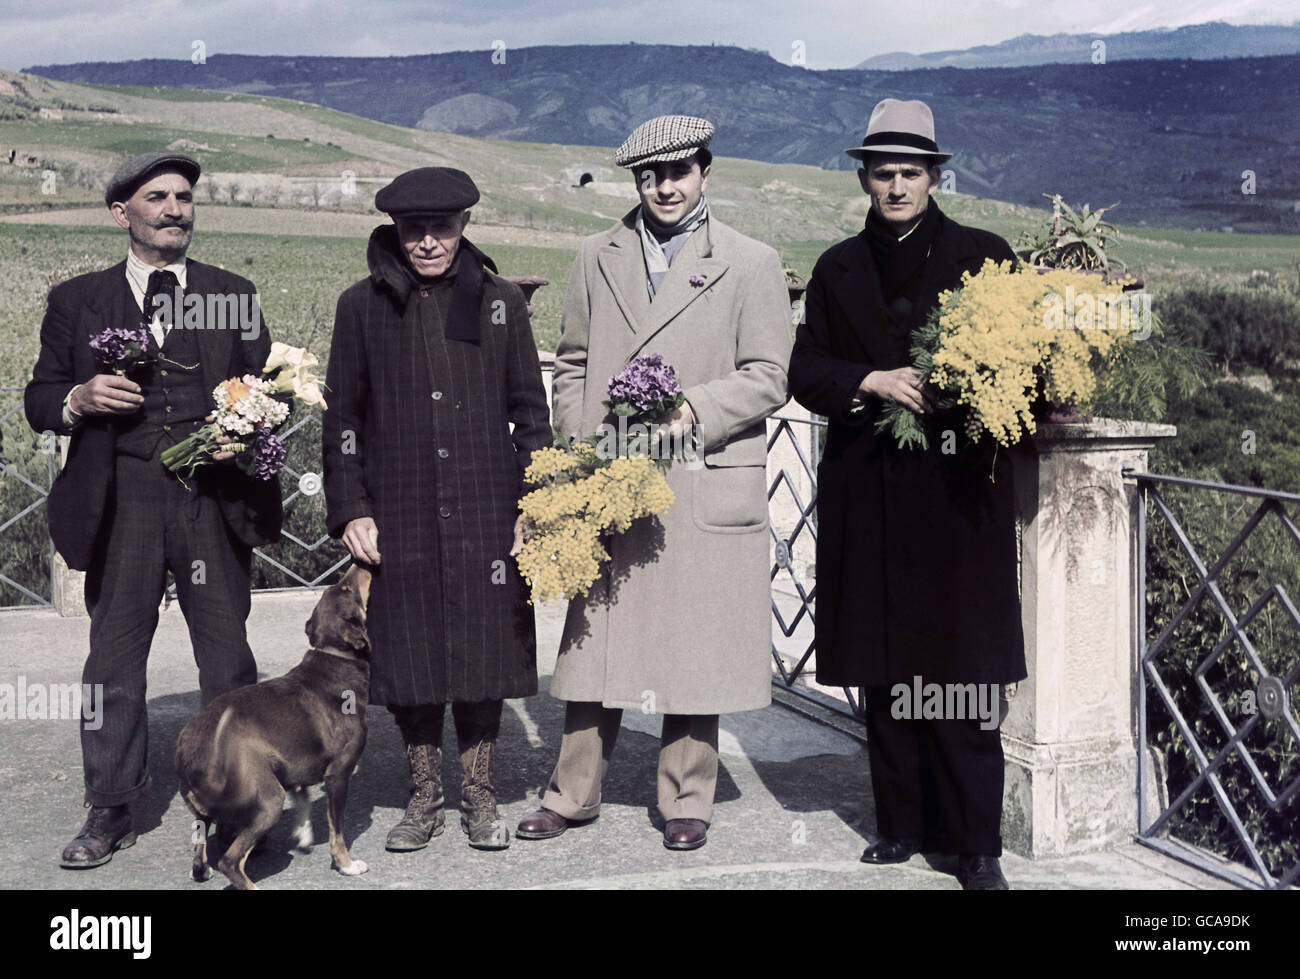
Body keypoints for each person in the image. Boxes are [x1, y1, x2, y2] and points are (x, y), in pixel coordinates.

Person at [515, 115, 791, 851]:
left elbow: (769, 376)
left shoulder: (750, 261)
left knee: (694, 646)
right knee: (593, 641)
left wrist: (692, 411)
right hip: (607, 481)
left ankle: (686, 798)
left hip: (700, 483)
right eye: (649, 176)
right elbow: (572, 362)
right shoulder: (593, 255)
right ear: (635, 181)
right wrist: (581, 448)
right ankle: (571, 792)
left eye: (678, 173)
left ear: (705, 172)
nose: (664, 188)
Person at [788, 99, 1027, 889]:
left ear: (935, 176)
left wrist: (963, 389)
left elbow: (1026, 365)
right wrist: (870, 378)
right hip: (869, 497)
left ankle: (977, 843)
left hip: (959, 501)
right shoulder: (834, 268)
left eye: (910, 173)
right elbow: (804, 371)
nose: (896, 187)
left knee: (962, 670)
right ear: (863, 177)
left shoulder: (986, 257)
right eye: (883, 173)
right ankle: (900, 822)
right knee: (885, 666)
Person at [26, 152, 283, 869]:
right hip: (124, 499)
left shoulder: (233, 293)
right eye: (158, 197)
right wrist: (79, 399)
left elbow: (272, 392)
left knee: (229, 659)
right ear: (122, 213)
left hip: (212, 500)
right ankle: (108, 805)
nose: (175, 209)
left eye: (185, 198)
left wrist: (249, 431)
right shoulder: (78, 300)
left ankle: (240, 808)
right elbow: (38, 398)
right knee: (111, 663)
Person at [322, 167, 550, 850]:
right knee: (410, 652)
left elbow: (531, 415)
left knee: (484, 650)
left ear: (464, 227)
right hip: (400, 505)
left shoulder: (501, 302)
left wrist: (535, 501)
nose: (427, 243)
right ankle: (423, 796)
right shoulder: (361, 306)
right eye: (413, 230)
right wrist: (351, 508)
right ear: (395, 230)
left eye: (441, 229)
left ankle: (480, 796)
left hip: (487, 501)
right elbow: (343, 420)